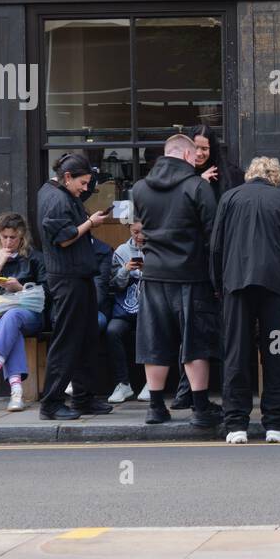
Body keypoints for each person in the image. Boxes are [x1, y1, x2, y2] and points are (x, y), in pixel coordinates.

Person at [211, 156, 280, 444]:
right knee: (275, 353)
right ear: (276, 177)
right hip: (274, 292)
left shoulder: (229, 199)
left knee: (236, 354)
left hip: (236, 289)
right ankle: (275, 425)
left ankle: (236, 424)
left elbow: (216, 248)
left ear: (250, 175)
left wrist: (219, 288)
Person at [131, 133, 222, 430]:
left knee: (154, 339)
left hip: (154, 274)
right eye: (194, 155)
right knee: (194, 342)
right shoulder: (197, 187)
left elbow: (140, 230)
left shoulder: (140, 189)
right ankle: (200, 408)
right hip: (191, 276)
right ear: (186, 155)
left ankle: (156, 407)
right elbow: (214, 236)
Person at [166, 126, 242, 411]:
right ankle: (187, 392)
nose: (199, 154)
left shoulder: (231, 175)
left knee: (220, 330)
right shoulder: (179, 178)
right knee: (191, 330)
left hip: (221, 264)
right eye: (195, 148)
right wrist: (197, 181)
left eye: (205, 149)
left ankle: (226, 391)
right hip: (189, 265)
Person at [36, 153, 114, 420]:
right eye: (82, 183)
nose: (85, 188)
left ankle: (83, 398)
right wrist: (90, 223)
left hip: (78, 276)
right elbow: (64, 239)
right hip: (67, 279)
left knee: (85, 339)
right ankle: (51, 403)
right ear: (67, 177)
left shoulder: (55, 192)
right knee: (67, 341)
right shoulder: (57, 199)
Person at [0, 212, 48, 412]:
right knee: (12, 330)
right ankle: (16, 393)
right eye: (4, 237)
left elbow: (48, 291)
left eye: (13, 237)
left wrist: (21, 288)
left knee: (12, 316)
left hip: (27, 315)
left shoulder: (34, 258)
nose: (8, 241)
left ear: (22, 237)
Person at [106, 220, 149, 403]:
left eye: (143, 232)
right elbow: (114, 284)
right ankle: (123, 384)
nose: (139, 237)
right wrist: (125, 271)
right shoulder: (121, 252)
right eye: (135, 232)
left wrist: (147, 271)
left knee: (150, 329)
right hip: (125, 307)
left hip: (149, 308)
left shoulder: (157, 250)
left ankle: (151, 382)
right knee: (112, 331)